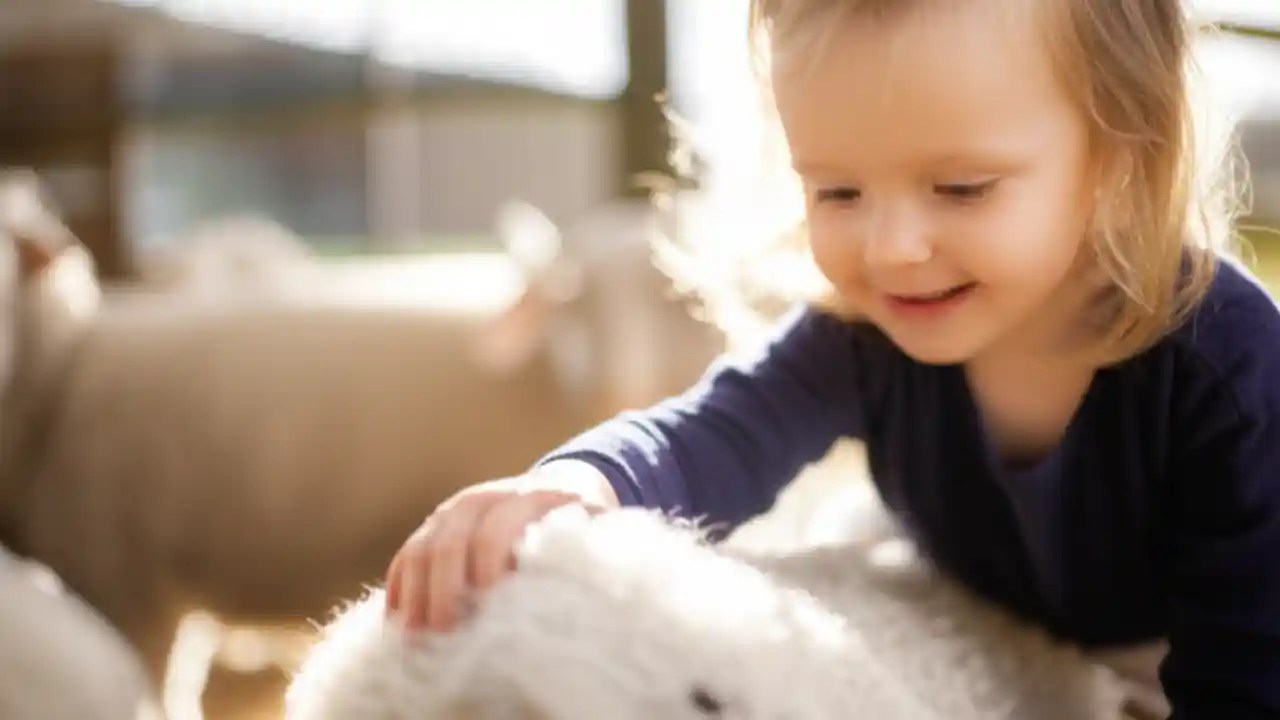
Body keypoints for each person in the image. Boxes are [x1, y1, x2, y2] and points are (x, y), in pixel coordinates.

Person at [386, 1, 1280, 716]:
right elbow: (720, 431)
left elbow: (1248, 657)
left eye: (961, 188)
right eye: (838, 190)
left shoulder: (1227, 366)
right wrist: (579, 482)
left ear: (1118, 155)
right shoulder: (862, 330)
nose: (890, 248)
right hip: (985, 623)